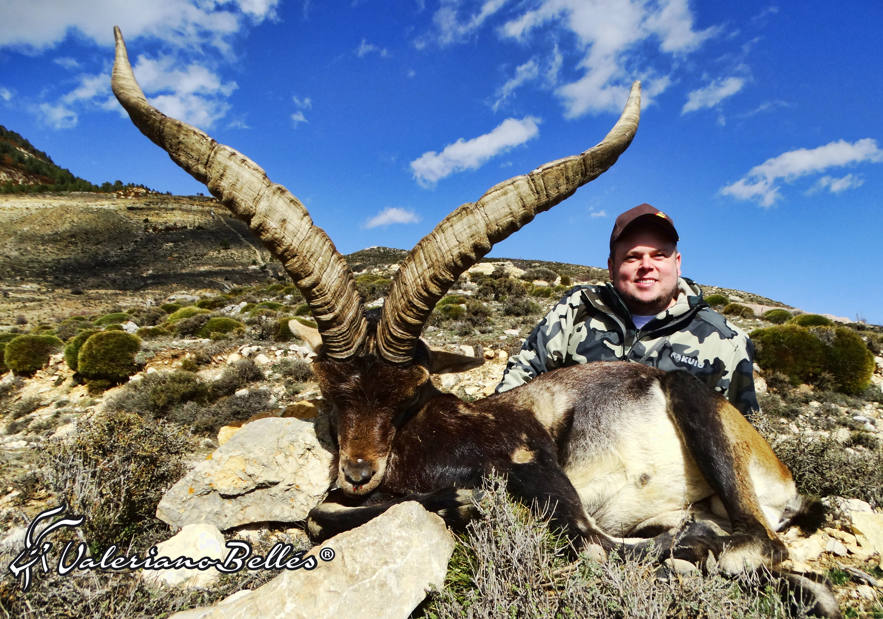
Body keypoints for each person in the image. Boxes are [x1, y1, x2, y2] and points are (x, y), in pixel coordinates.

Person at [496, 203, 759, 419]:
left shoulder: (727, 342)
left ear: (677, 263)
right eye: (632, 257)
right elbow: (520, 380)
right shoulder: (577, 309)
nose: (646, 266)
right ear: (612, 267)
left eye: (659, 255)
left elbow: (745, 436)